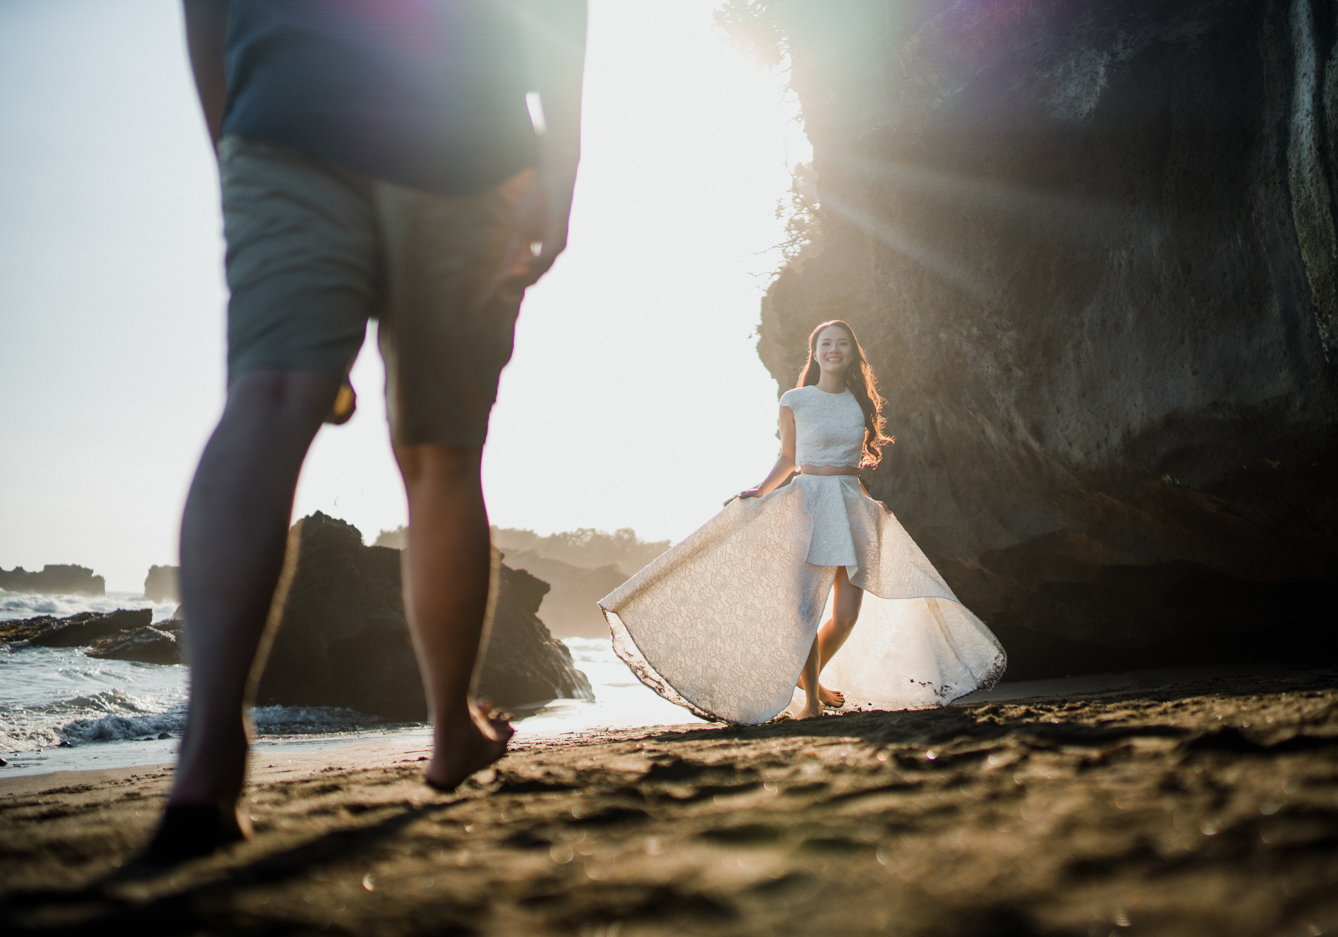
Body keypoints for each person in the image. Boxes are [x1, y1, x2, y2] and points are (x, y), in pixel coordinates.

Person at [148, 0, 586, 862]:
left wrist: (237, 136)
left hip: (285, 115)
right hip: (470, 127)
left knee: (268, 401)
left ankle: (208, 753)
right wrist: (562, 158)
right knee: (442, 457)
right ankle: (452, 732)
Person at [600, 321, 1006, 725]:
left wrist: (870, 502)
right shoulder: (795, 399)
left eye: (842, 343)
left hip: (850, 508)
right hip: (807, 506)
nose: (834, 349)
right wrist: (761, 492)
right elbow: (790, 458)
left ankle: (800, 672)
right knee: (806, 610)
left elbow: (850, 468)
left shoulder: (859, 402)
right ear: (814, 353)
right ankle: (811, 698)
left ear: (852, 353)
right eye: (825, 344)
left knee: (846, 615)